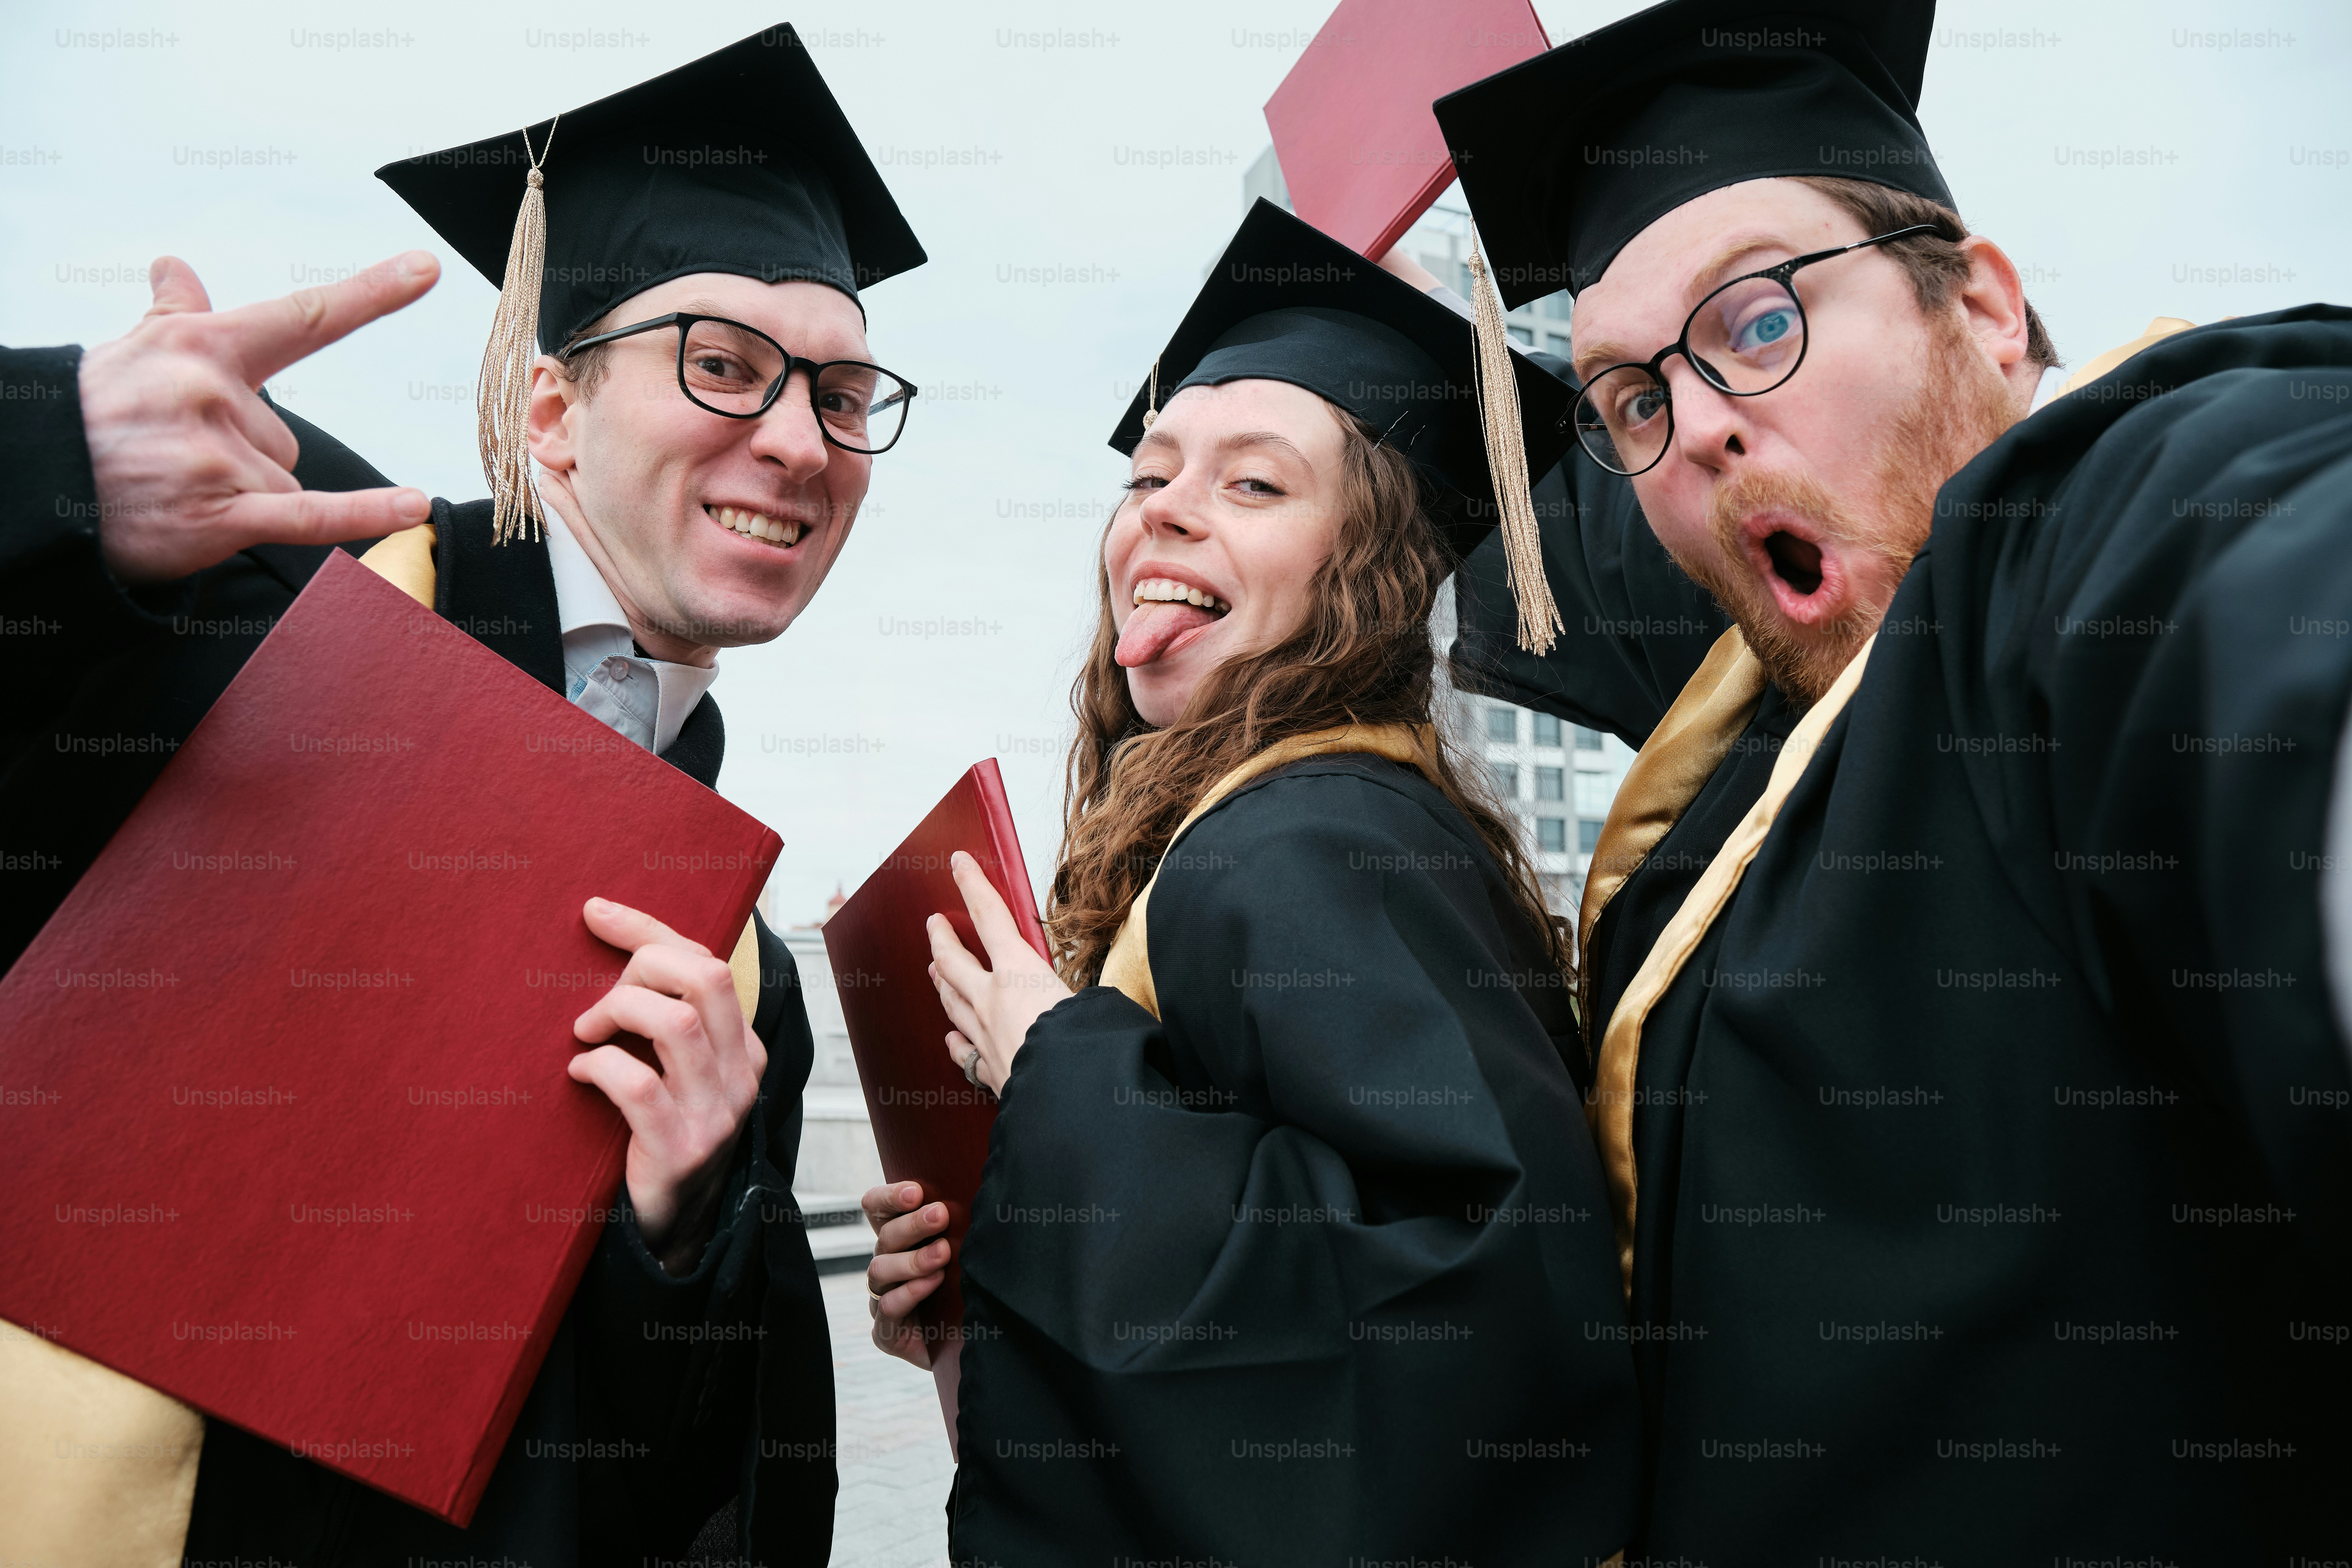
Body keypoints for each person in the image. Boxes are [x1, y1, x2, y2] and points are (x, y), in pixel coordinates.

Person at [1412, 0, 2352, 1556]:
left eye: (1759, 319)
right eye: (1633, 400)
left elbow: (2245, 586)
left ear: (1983, 310)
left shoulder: (2078, 549)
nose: (1701, 428)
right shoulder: (1724, 800)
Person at [0, 25, 922, 1565]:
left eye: (843, 394)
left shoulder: (738, 975)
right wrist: (49, 457)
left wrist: (683, 1227)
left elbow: (688, 1491)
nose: (795, 437)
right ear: (551, 413)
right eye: (724, 363)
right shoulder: (245, 605)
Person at [862, 200, 1642, 1565]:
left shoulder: (1305, 840)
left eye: (1253, 483)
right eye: (1151, 475)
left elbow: (1473, 1319)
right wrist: (990, 1269)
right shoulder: (1286, 822)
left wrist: (1059, 1069)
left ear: (1372, 574)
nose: (1162, 508)